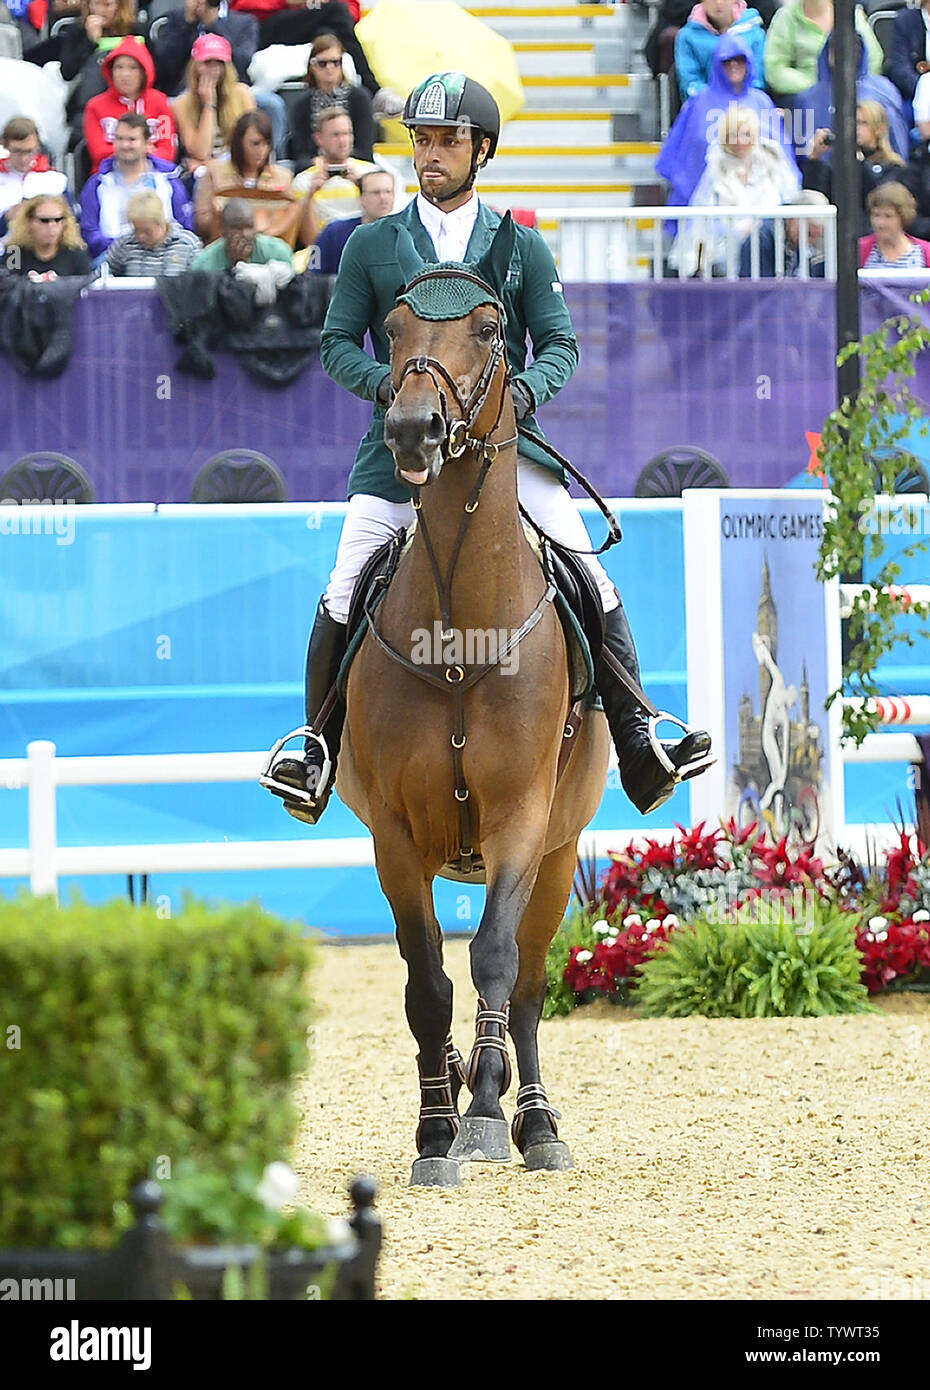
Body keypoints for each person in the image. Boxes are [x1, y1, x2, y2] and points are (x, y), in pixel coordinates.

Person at [263, 71, 713, 826]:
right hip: (398, 458)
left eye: (446, 141)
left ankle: (638, 736)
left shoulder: (518, 246)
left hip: (505, 456)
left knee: (590, 574)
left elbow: (562, 344)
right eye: (422, 140)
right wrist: (388, 390)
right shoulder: (374, 243)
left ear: (483, 150)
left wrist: (527, 394)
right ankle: (315, 747)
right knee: (345, 585)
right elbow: (336, 343)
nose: (430, 154)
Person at [656, 33, 796, 208]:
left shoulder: (762, 102)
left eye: (739, 60)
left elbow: (782, 155)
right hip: (707, 205)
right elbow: (677, 155)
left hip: (761, 205)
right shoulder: (698, 103)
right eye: (726, 61)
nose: (734, 66)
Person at [668, 103, 801, 277]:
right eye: (733, 135)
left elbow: (791, 198)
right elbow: (702, 216)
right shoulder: (715, 168)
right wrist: (738, 232)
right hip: (726, 260)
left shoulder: (773, 161)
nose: (739, 141)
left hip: (770, 254)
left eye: (745, 134)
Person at [79, 110, 193, 260]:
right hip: (112, 258)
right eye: (119, 139)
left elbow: (185, 227)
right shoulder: (97, 184)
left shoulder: (168, 181)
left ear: (147, 143)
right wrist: (127, 247)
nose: (125, 145)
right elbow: (90, 233)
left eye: (132, 139)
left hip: (164, 257)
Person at [792, 32, 909, 165]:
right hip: (820, 177)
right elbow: (798, 155)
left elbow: (898, 145)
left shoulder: (883, 91)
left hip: (878, 174)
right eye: (836, 48)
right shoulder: (806, 99)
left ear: (861, 51)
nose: (843, 53)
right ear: (828, 52)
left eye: (853, 47)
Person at [803, 101, 905, 233]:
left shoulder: (893, 167)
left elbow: (877, 197)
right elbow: (815, 197)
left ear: (879, 128)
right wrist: (815, 159)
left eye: (863, 123)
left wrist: (857, 159)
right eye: (853, 123)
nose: (856, 128)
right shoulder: (836, 164)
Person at [194, 108, 294, 243]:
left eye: (266, 144)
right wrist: (218, 215)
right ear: (239, 143)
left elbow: (288, 221)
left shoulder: (283, 177)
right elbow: (201, 223)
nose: (262, 151)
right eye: (255, 144)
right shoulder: (214, 173)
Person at [83, 34, 178, 173]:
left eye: (133, 68)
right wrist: (143, 150)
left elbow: (168, 153)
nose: (125, 74)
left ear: (144, 72)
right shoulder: (95, 106)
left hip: (155, 176)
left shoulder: (160, 102)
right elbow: (98, 153)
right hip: (109, 178)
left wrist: (127, 152)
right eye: (119, 67)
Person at [763, 0, 884, 105]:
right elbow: (775, 68)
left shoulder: (851, 13)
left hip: (854, 90)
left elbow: (874, 57)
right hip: (804, 96)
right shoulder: (785, 17)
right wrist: (818, 87)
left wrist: (857, 85)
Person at [172, 32, 254, 177]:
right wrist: (209, 105)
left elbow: (251, 143)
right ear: (195, 66)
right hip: (203, 173)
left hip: (238, 166)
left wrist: (217, 164)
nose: (213, 70)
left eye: (219, 64)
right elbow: (200, 152)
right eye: (207, 63)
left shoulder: (242, 93)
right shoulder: (181, 104)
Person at [292, 106, 376, 246]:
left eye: (347, 133)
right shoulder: (304, 181)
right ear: (319, 139)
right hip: (325, 248)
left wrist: (364, 187)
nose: (343, 141)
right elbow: (309, 241)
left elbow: (385, 223)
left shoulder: (372, 174)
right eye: (335, 135)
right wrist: (310, 196)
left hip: (367, 244)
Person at [287, 32, 374, 166]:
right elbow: (300, 153)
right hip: (316, 168)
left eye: (335, 62)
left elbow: (365, 149)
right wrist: (315, 163)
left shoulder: (359, 98)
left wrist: (337, 161)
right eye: (323, 63)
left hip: (354, 165)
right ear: (312, 66)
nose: (330, 68)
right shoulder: (302, 104)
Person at [153, 0, 259, 97]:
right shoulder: (175, 19)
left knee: (268, 102)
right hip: (183, 93)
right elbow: (165, 67)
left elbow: (242, 62)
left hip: (229, 91)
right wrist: (188, 24)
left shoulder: (245, 22)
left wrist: (214, 25)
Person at [299, 164, 393, 273]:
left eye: (388, 192)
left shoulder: (406, 232)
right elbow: (312, 275)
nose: (383, 198)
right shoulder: (333, 232)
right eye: (376, 193)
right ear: (361, 197)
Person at [674, 0, 766, 100]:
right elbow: (690, 82)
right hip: (705, 106)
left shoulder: (755, 33)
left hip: (748, 105)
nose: (718, 2)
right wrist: (717, 100)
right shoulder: (687, 36)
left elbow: (757, 80)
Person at [0, 115, 70, 239]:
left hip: (44, 252)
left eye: (29, 151)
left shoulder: (55, 180)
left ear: (38, 147)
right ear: (5, 145)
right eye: (17, 151)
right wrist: (5, 219)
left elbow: (72, 221)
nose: (24, 159)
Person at [105, 187, 202, 274]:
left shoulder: (188, 243)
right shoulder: (125, 244)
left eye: (147, 231)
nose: (140, 236)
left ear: (161, 223)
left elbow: (200, 283)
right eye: (136, 230)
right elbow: (102, 275)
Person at [738, 187, 829, 277]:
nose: (811, 242)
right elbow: (756, 288)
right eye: (808, 233)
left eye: (818, 237)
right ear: (792, 219)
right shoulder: (760, 240)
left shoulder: (798, 243)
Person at [191, 194, 293, 268]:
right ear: (223, 230)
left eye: (249, 227)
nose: (245, 234)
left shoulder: (277, 252)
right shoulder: (204, 263)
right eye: (237, 228)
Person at [3, 193, 93, 277]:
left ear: (65, 223)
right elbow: (9, 285)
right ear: (29, 222)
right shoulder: (14, 252)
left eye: (57, 220)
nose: (51, 226)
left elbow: (85, 285)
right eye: (44, 220)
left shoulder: (75, 252)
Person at [858, 181, 930, 268]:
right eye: (876, 215)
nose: (880, 222)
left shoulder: (924, 252)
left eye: (888, 216)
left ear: (903, 217)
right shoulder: (858, 249)